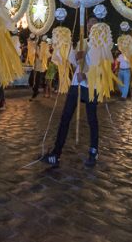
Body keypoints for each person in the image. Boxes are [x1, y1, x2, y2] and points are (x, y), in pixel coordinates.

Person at [41, 17, 100, 168]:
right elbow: (74, 60)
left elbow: (103, 70)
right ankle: (56, 153)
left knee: (92, 119)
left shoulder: (101, 45)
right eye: (88, 24)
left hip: (91, 86)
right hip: (76, 84)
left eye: (93, 25)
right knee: (65, 117)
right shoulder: (82, 41)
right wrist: (71, 53)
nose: (90, 27)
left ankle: (93, 151)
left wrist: (87, 76)